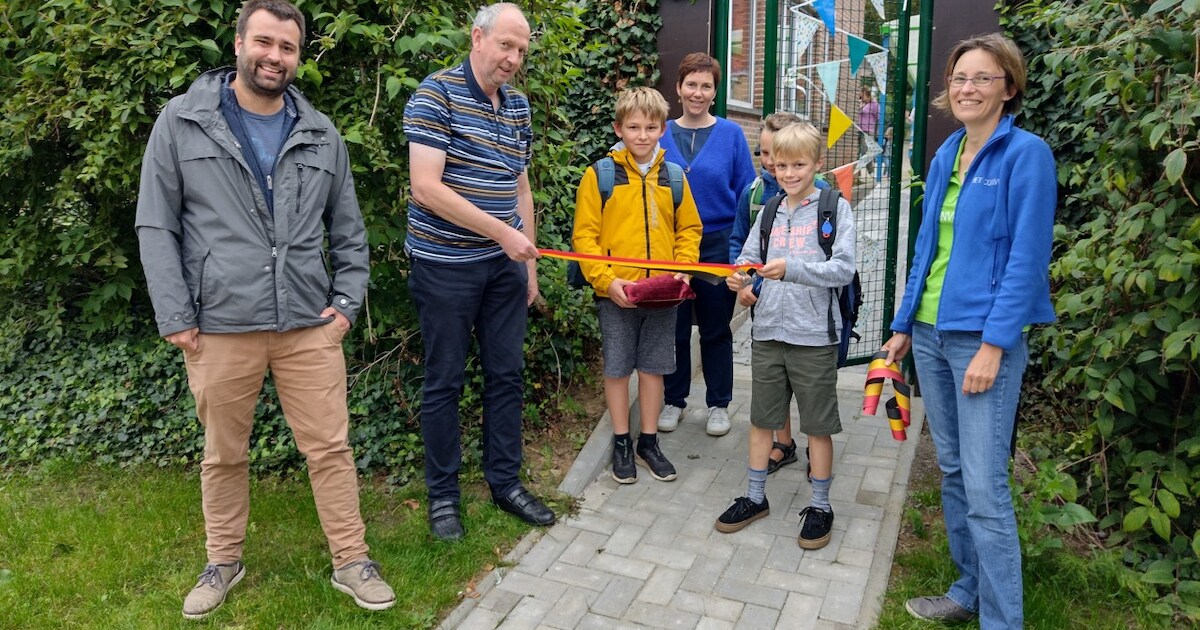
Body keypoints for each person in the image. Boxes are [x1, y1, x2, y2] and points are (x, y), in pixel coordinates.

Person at [135, 0, 394, 618]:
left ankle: (351, 559)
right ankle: (222, 561)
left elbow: (349, 231)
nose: (275, 57)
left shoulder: (320, 132)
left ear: (299, 56)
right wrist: (176, 314)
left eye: (288, 47)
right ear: (238, 44)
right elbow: (156, 223)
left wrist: (345, 305)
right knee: (224, 453)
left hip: (308, 323)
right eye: (265, 43)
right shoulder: (182, 122)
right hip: (220, 324)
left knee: (330, 448)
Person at [882, 34, 1056, 628]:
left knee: (985, 489)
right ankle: (968, 591)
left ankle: (1002, 621)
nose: (967, 88)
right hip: (931, 335)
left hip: (980, 341)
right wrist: (904, 325)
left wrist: (994, 344)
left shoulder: (1026, 154)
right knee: (954, 472)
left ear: (1008, 88)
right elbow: (927, 248)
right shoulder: (947, 153)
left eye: (983, 78)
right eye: (960, 77)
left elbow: (1027, 259)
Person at [403, 2, 555, 542]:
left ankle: (505, 483)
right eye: (506, 45)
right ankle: (443, 497)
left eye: (521, 50)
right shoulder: (436, 94)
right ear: (477, 38)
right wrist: (501, 233)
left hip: (505, 268)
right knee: (444, 381)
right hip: (444, 266)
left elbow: (520, 188)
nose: (513, 59)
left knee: (506, 375)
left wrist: (527, 264)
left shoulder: (517, 107)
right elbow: (426, 187)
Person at [715, 124, 856, 550]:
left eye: (799, 165)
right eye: (781, 165)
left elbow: (843, 269)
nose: (789, 173)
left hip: (814, 337)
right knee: (762, 420)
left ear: (818, 164)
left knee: (817, 426)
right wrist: (740, 279)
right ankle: (755, 497)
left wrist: (791, 269)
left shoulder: (834, 209)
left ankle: (820, 506)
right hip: (767, 333)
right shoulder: (770, 209)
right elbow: (748, 258)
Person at [572, 87, 703, 485]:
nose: (642, 135)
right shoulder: (600, 175)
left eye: (650, 127)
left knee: (653, 369)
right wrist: (606, 281)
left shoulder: (674, 177)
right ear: (619, 129)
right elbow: (584, 237)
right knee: (617, 369)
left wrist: (682, 270)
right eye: (633, 127)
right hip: (616, 295)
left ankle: (648, 442)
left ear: (662, 129)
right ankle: (621, 442)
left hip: (662, 294)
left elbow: (689, 229)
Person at [658, 52, 756, 437]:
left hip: (718, 243)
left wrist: (742, 256)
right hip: (672, 245)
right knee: (675, 327)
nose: (697, 93)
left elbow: (746, 194)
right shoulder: (660, 133)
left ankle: (719, 404)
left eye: (706, 86)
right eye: (691, 84)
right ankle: (674, 400)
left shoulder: (732, 135)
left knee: (716, 327)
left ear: (715, 92)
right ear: (679, 88)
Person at [728, 113, 830, 476]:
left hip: (812, 318)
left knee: (811, 388)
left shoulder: (827, 199)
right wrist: (744, 282)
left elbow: (836, 260)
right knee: (774, 383)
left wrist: (793, 270)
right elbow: (741, 245)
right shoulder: (755, 194)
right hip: (767, 307)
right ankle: (782, 444)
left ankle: (817, 455)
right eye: (766, 154)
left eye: (781, 155)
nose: (774, 164)